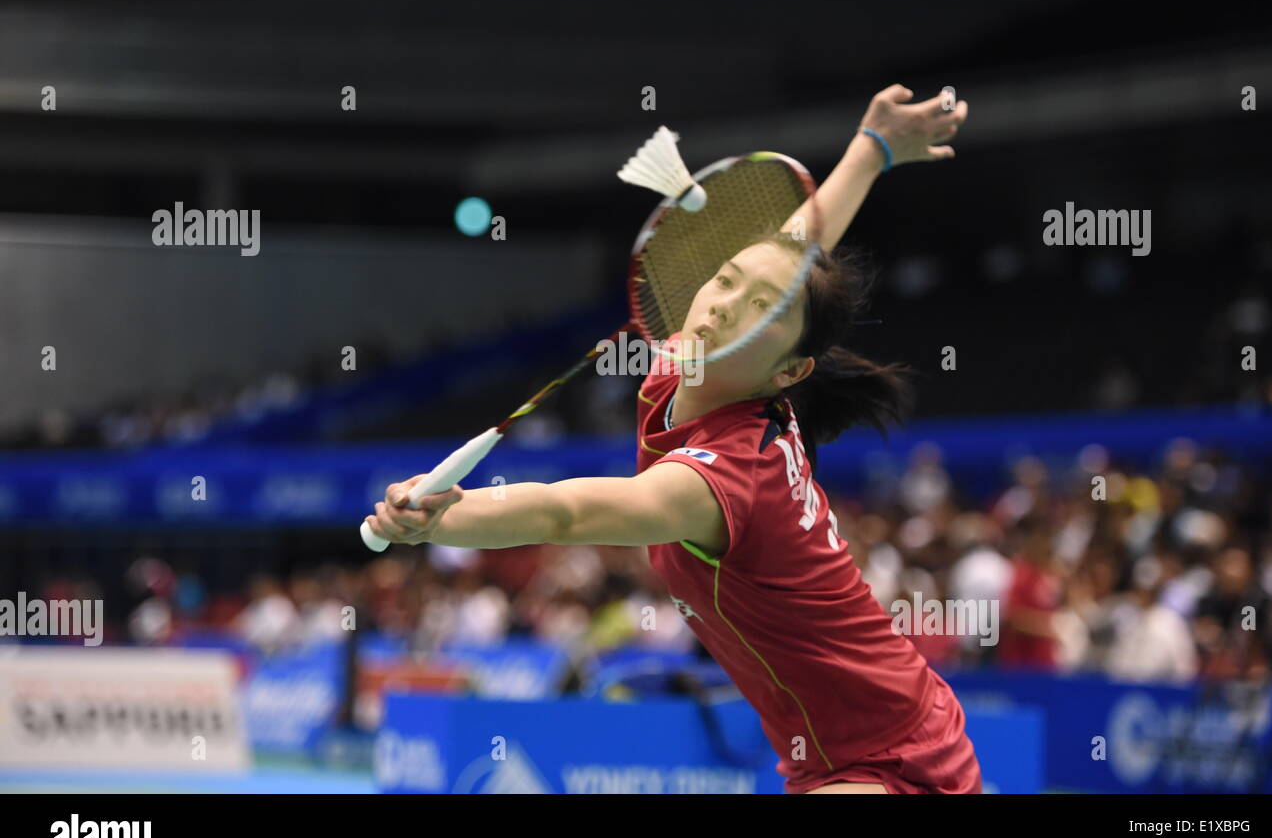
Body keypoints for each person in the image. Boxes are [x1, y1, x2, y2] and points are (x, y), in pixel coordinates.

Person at [366, 84, 980, 794]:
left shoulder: (724, 475)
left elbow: (566, 512)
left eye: (759, 311)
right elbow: (793, 250)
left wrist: (444, 516)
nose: (722, 307)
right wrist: (871, 150)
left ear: (789, 369)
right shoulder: (676, 365)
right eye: (723, 281)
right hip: (830, 750)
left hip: (896, 748)